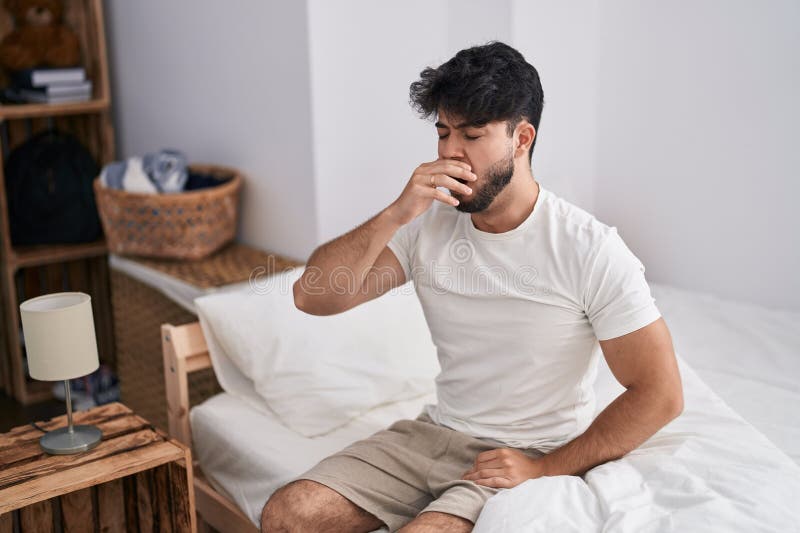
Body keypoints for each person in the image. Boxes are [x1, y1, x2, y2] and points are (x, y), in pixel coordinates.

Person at [261, 41, 683, 533]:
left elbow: (660, 393)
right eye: (443, 133)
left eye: (472, 135)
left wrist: (544, 469)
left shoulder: (589, 249)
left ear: (521, 138)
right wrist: (398, 212)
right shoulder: (426, 226)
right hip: (432, 433)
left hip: (524, 451)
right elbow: (312, 296)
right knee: (286, 515)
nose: (449, 153)